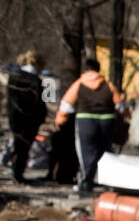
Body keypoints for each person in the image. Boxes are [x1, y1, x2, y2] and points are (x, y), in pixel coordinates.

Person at [55, 57, 125, 194]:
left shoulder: (79, 83)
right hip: (107, 121)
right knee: (105, 152)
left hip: (86, 120)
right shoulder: (108, 85)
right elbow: (120, 105)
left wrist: (60, 120)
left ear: (85, 69)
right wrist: (125, 116)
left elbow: (66, 104)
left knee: (86, 152)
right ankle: (108, 184)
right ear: (99, 69)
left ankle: (86, 181)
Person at [6, 50, 47, 183]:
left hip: (15, 118)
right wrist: (42, 119)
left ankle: (15, 171)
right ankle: (18, 173)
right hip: (30, 120)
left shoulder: (13, 76)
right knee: (23, 148)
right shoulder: (38, 81)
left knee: (17, 146)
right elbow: (42, 105)